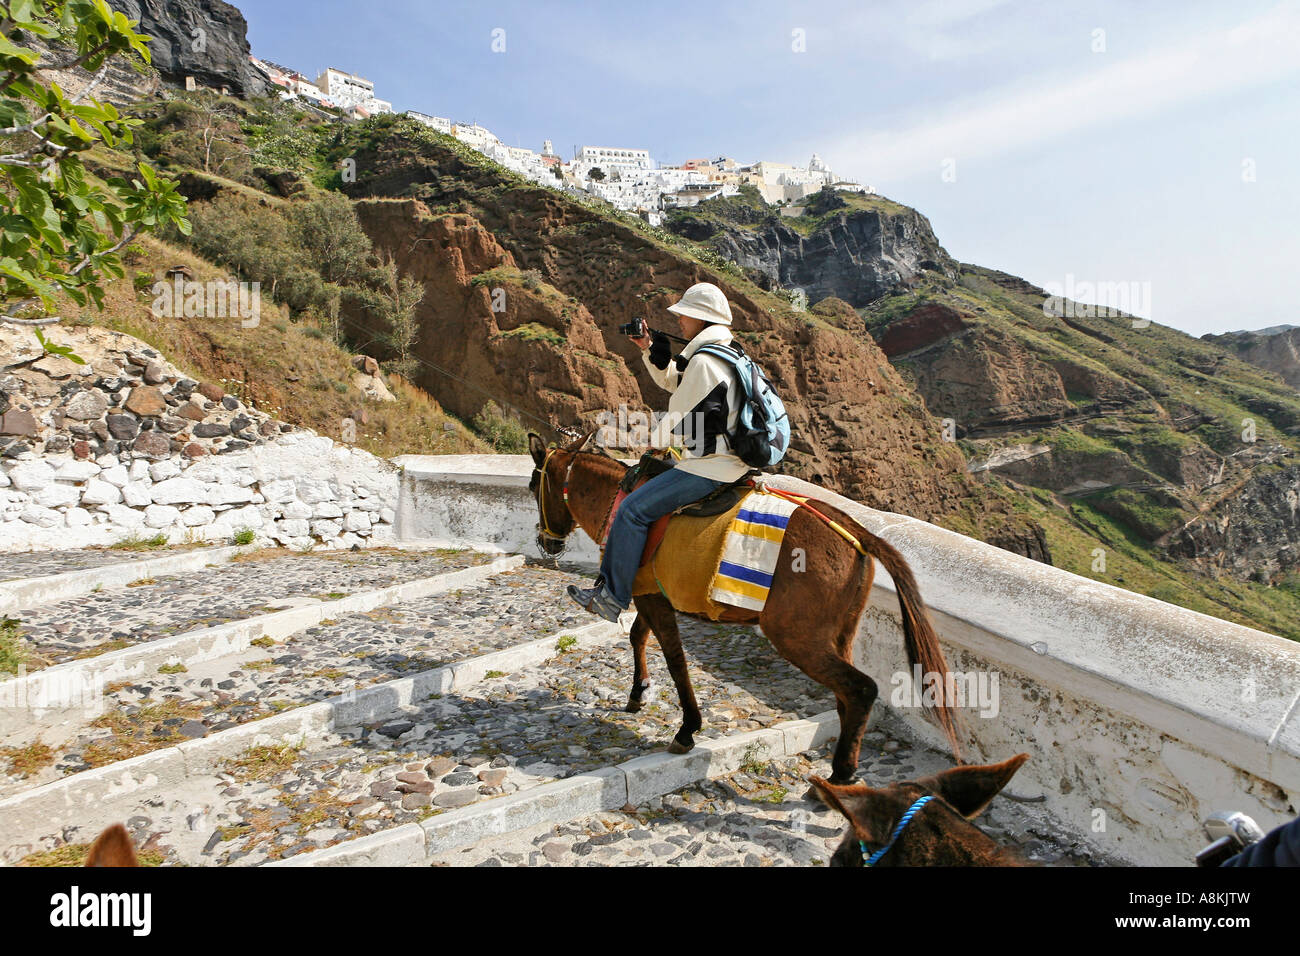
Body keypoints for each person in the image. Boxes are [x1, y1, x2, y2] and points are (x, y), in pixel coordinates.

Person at [567, 282, 752, 621]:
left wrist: (652, 444)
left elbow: (677, 416)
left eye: (685, 314)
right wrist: (649, 349)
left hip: (711, 467)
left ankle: (612, 596)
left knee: (633, 510)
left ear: (701, 318)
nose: (680, 319)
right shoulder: (726, 353)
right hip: (730, 460)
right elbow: (676, 383)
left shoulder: (704, 363)